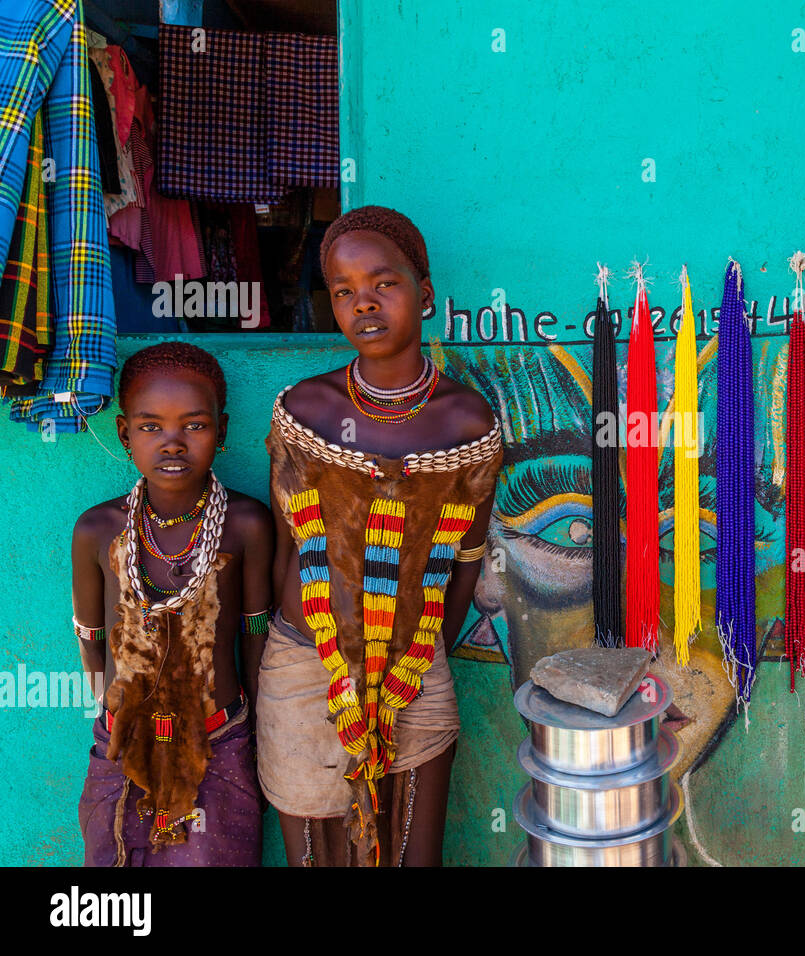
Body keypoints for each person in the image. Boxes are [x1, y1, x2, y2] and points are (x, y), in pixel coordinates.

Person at [257, 205, 502, 866]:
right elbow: (289, 551)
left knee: (409, 854)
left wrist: (425, 653)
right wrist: (278, 664)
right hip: (309, 666)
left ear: (424, 297)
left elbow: (467, 557)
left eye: (383, 284)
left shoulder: (466, 421)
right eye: (343, 291)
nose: (363, 302)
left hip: (414, 667)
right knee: (322, 853)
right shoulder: (305, 410)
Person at [74, 342, 274, 866]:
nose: (173, 443)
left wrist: (253, 729)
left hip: (219, 738)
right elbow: (91, 641)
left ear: (222, 431)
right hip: (124, 739)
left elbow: (255, 637)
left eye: (194, 425)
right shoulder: (97, 530)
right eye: (149, 427)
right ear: (123, 434)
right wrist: (114, 714)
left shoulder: (246, 524)